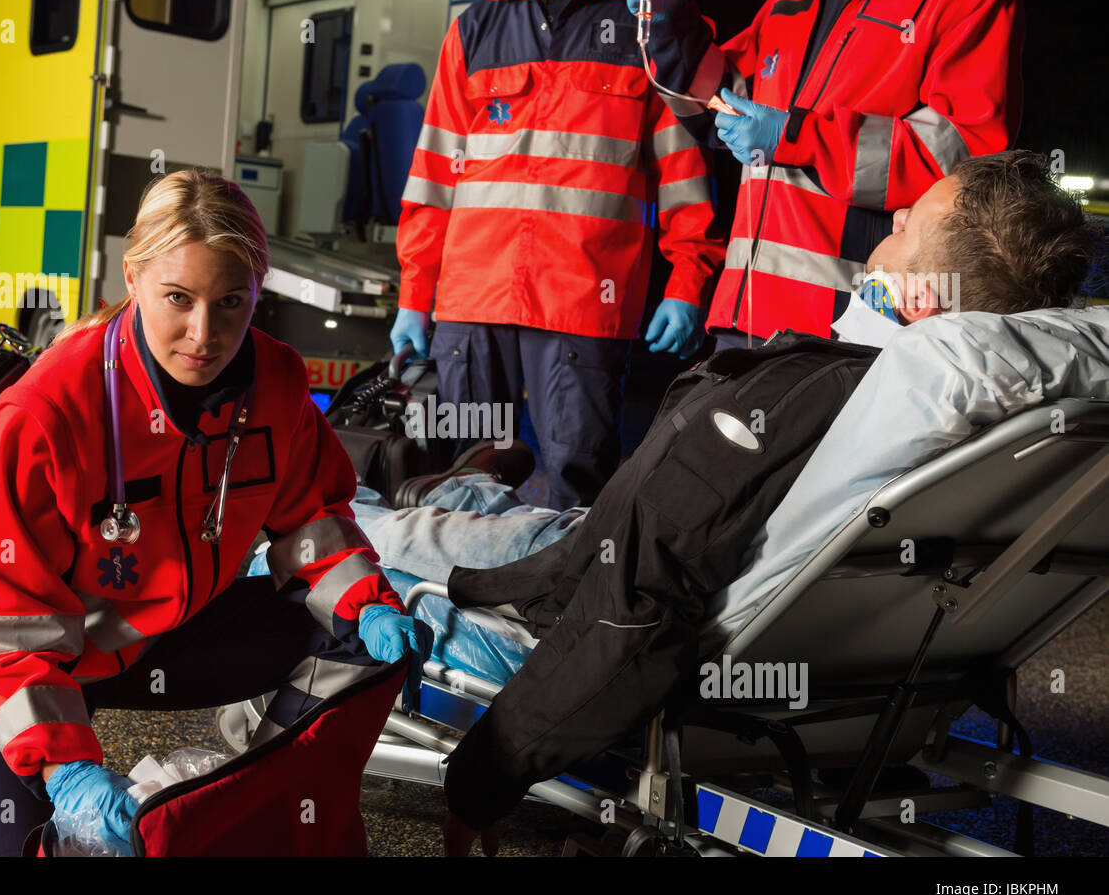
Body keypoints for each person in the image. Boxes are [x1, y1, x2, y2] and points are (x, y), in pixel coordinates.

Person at [366, 150, 1097, 854]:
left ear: (922, 300)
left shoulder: (825, 389)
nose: (895, 211)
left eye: (911, 222)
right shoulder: (1004, 410)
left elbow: (637, 600)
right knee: (478, 512)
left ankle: (408, 479)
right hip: (603, 541)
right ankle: (453, 480)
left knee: (335, 534)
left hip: (570, 594)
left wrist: (486, 773)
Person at [0, 170, 433, 857]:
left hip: (153, 633)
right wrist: (66, 766)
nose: (204, 332)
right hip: (7, 655)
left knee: (357, 635)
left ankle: (249, 812)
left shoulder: (275, 384)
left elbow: (313, 522)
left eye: (231, 302)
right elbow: (6, 614)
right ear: (133, 276)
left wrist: (366, 602)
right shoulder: (50, 407)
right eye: (178, 299)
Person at [392, 0, 727, 511]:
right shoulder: (475, 28)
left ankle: (564, 592)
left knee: (579, 478)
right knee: (466, 476)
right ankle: (456, 589)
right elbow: (436, 171)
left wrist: (687, 283)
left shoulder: (645, 28)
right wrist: (414, 296)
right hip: (471, 301)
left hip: (583, 299)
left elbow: (682, 176)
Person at [625, 0, 1024, 348]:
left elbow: (961, 160)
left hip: (848, 328)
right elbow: (720, 99)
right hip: (742, 316)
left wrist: (799, 137)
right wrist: (667, 19)